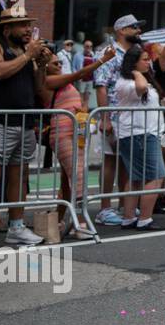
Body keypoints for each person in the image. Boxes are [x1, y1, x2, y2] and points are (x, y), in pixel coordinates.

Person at [0, 2, 50, 249]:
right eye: (22, 25)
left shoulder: (26, 51)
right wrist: (28, 56)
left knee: (20, 175)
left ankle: (16, 227)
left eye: (29, 24)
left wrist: (42, 64)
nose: (28, 29)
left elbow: (38, 88)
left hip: (23, 122)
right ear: (7, 29)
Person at [44, 44, 117, 238]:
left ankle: (60, 221)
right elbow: (79, 74)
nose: (59, 64)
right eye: (54, 63)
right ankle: (80, 223)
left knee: (67, 181)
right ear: (45, 67)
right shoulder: (49, 80)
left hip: (76, 134)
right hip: (62, 134)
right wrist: (102, 60)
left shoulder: (63, 83)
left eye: (60, 62)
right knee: (77, 174)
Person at [92, 15, 144, 226]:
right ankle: (105, 209)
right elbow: (101, 85)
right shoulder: (107, 52)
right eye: (134, 27)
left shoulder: (134, 52)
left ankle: (126, 205)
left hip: (130, 113)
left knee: (126, 162)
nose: (138, 31)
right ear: (121, 30)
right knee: (110, 161)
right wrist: (105, 117)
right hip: (113, 114)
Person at [112, 44, 165, 230]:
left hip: (141, 132)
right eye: (144, 59)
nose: (148, 62)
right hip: (140, 133)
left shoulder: (132, 80)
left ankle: (129, 217)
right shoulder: (128, 81)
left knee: (136, 177)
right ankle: (145, 218)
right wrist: (136, 72)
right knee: (156, 175)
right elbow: (142, 88)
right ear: (133, 63)